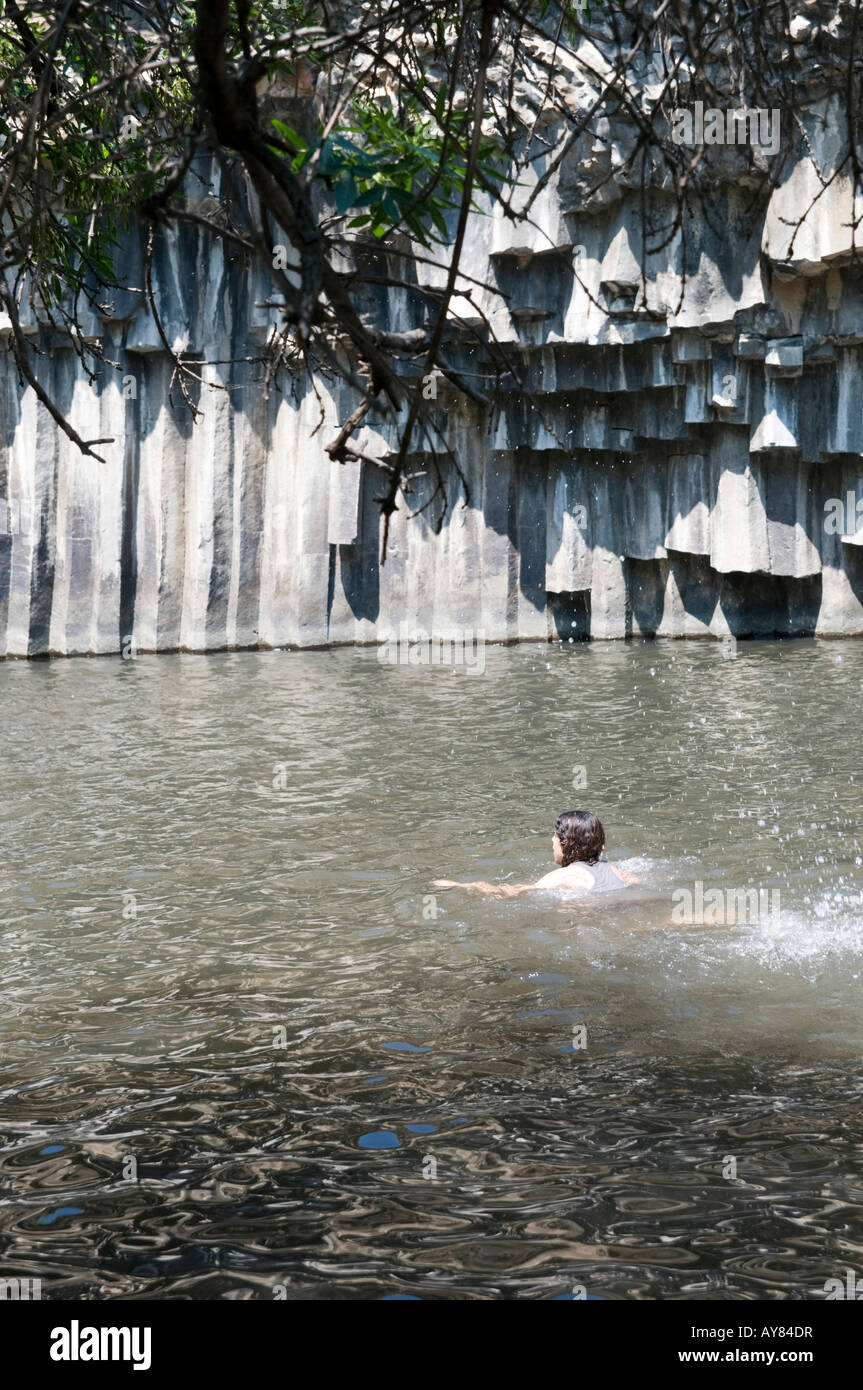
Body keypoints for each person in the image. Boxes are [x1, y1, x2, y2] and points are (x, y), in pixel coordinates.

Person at [434, 810, 636, 898]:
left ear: (567, 842)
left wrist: (460, 886)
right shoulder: (614, 869)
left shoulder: (566, 875)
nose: (552, 841)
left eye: (556, 836)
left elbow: (513, 892)